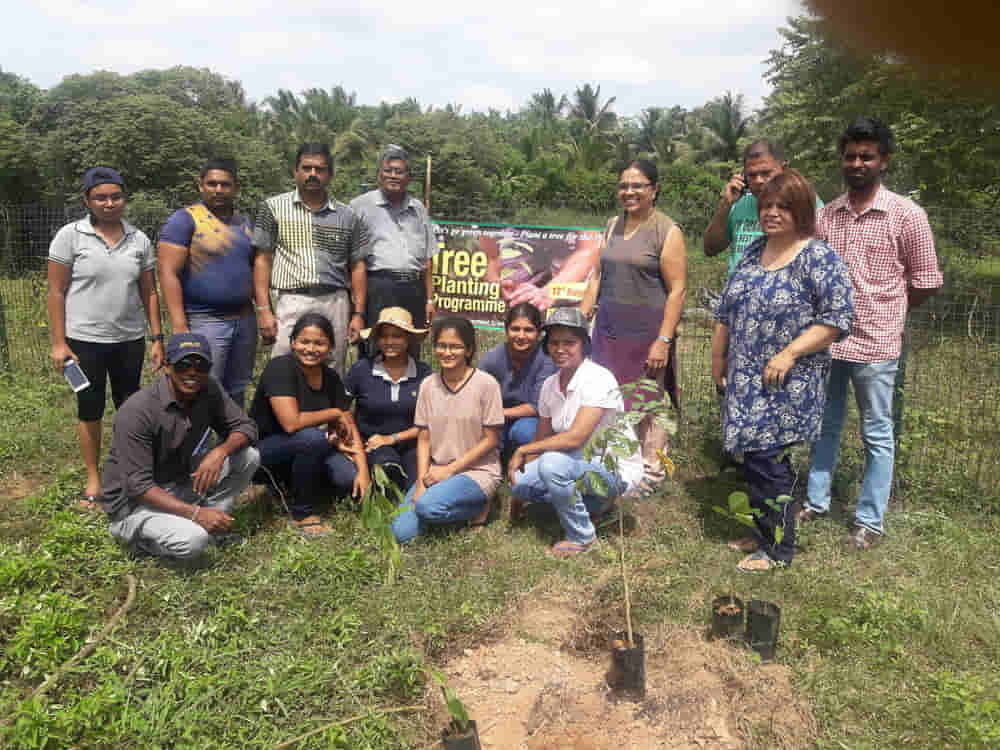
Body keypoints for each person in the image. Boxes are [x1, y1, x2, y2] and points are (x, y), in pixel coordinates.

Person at [803, 117, 942, 550]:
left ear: (884, 161)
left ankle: (869, 519)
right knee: (824, 425)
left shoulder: (907, 216)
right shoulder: (826, 217)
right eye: (850, 156)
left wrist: (890, 312)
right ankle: (815, 501)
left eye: (867, 156)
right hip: (829, 342)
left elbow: (925, 281)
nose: (857, 163)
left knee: (876, 433)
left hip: (878, 344)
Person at [712, 170, 855, 570]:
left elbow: (837, 319)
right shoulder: (754, 249)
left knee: (769, 461)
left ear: (802, 212)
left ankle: (777, 550)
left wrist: (789, 353)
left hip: (787, 382)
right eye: (767, 206)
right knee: (755, 459)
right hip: (746, 378)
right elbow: (727, 308)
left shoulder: (818, 257)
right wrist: (717, 358)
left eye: (783, 207)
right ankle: (764, 530)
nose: (772, 213)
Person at [47, 166, 164, 509]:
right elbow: (56, 292)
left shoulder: (138, 239)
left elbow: (150, 293)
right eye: (100, 197)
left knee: (130, 409)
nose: (109, 203)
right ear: (87, 200)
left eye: (115, 196)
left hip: (129, 340)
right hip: (83, 341)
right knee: (90, 409)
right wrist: (58, 343)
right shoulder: (71, 236)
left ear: (124, 199)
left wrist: (157, 338)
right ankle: (94, 480)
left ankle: (132, 473)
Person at [98, 333, 260, 561]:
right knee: (194, 541)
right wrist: (195, 513)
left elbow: (246, 426)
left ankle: (213, 524)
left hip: (178, 482)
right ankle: (136, 536)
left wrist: (219, 451)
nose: (192, 372)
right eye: (183, 365)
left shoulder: (209, 389)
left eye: (201, 365)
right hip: (134, 505)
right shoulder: (137, 411)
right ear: (167, 366)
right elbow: (139, 486)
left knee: (248, 457)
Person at [579, 158, 686, 486]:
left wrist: (663, 340)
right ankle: (612, 466)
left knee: (647, 405)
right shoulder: (612, 225)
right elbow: (598, 275)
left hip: (647, 336)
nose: (629, 192)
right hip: (608, 331)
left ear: (654, 190)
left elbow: (678, 289)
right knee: (607, 397)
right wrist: (581, 318)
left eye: (638, 185)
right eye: (624, 185)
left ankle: (650, 475)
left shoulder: (667, 231)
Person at [508, 307, 644, 558]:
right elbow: (542, 438)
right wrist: (521, 485)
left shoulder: (598, 378)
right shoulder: (550, 384)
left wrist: (523, 449)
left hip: (612, 469)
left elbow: (576, 438)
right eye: (554, 342)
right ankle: (594, 505)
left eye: (569, 343)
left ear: (584, 345)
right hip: (575, 464)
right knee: (521, 484)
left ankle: (582, 537)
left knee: (551, 465)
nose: (560, 349)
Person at [252, 142, 369, 377]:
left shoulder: (348, 216)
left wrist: (358, 314)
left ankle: (327, 414)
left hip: (335, 301)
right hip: (291, 300)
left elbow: (358, 266)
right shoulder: (273, 208)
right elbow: (262, 260)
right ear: (295, 171)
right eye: (307, 168)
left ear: (330, 174)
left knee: (332, 367)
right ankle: (283, 415)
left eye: (320, 169)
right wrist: (264, 309)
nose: (313, 174)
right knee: (283, 367)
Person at [249, 313, 368, 537]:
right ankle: (302, 514)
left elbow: (350, 426)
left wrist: (363, 473)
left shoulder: (331, 377)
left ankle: (285, 488)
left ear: (330, 347)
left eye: (319, 343)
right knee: (313, 438)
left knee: (348, 479)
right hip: (262, 454)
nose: (311, 349)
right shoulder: (280, 368)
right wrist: (333, 413)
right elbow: (291, 424)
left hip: (307, 446)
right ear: (293, 342)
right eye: (304, 341)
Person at [390, 316, 504, 544]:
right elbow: (424, 438)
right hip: (437, 469)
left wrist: (450, 471)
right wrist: (422, 480)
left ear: (469, 350)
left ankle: (480, 506)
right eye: (442, 345)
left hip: (477, 471)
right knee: (401, 533)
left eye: (455, 347)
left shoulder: (486, 384)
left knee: (427, 507)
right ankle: (451, 506)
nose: (447, 352)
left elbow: (491, 440)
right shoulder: (428, 385)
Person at [157, 157, 256, 407]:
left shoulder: (244, 223)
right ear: (200, 185)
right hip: (205, 322)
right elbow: (168, 273)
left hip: (244, 321)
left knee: (236, 389)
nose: (218, 190)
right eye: (212, 183)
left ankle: (233, 443)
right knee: (202, 389)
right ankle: (199, 447)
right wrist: (180, 327)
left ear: (236, 187)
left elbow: (256, 268)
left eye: (225, 184)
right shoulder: (185, 220)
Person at [349, 145, 437, 356]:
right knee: (375, 350)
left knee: (410, 350)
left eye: (399, 171)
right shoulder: (360, 206)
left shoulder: (418, 209)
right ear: (379, 175)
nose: (393, 176)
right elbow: (351, 260)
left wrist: (429, 299)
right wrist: (357, 307)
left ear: (408, 178)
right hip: (378, 288)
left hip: (413, 290)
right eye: (388, 170)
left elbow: (427, 259)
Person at [333, 307, 431, 493]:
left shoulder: (424, 373)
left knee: (419, 483)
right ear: (377, 339)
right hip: (372, 444)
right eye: (384, 336)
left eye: (397, 336)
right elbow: (341, 410)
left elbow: (431, 422)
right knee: (385, 468)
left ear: (408, 339)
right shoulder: (362, 369)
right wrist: (348, 441)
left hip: (411, 444)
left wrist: (392, 438)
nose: (389, 342)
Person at [477, 302, 556, 458]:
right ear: (506, 330)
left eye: (528, 330)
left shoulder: (547, 358)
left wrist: (496, 413)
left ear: (539, 332)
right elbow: (474, 392)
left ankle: (526, 461)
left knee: (523, 431)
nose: (521, 336)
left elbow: (536, 407)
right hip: (499, 418)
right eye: (515, 329)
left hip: (533, 419)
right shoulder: (493, 358)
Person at [703, 140, 788, 276]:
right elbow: (710, 249)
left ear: (783, 169)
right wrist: (725, 205)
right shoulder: (738, 204)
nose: (758, 180)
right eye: (752, 175)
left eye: (766, 173)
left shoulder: (804, 203)